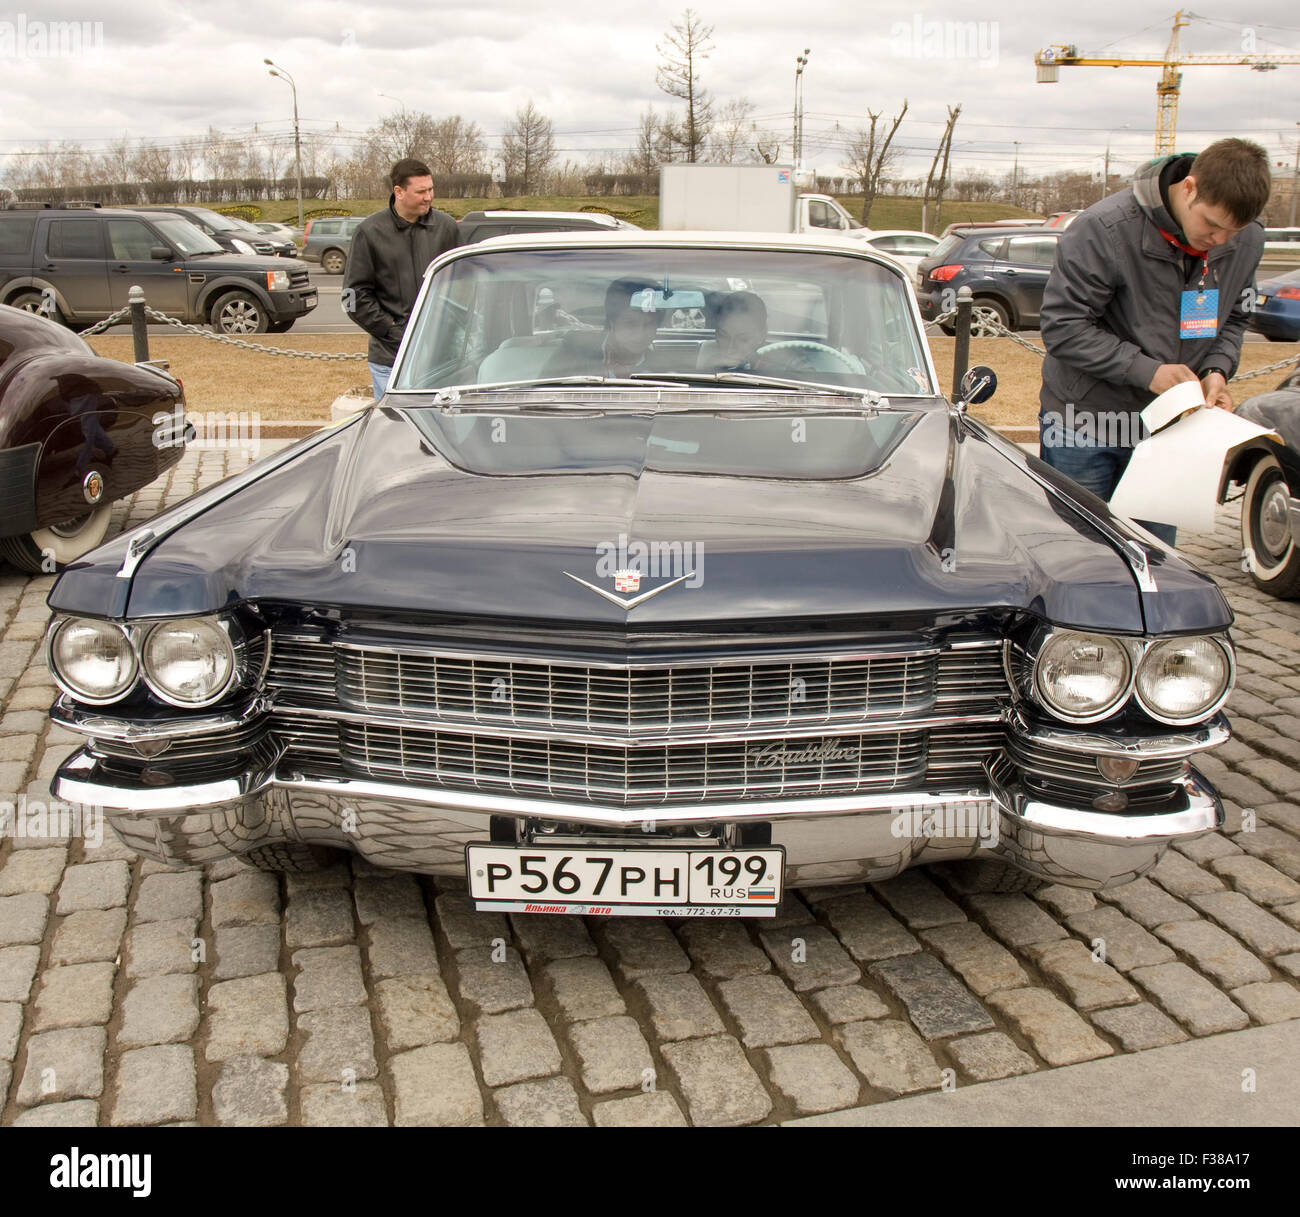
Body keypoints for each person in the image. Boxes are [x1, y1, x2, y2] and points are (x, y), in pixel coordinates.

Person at [1038, 138, 1271, 547]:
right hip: (1086, 422)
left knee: (1155, 556)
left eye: (1233, 232)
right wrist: (1150, 372)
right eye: (1213, 226)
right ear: (1190, 188)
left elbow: (1235, 316)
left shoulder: (1246, 240)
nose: (1220, 241)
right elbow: (1064, 326)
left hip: (1169, 430)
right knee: (1077, 554)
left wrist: (1216, 368)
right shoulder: (1103, 229)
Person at [344, 158, 461, 399]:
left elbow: (465, 286)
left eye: (431, 189)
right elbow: (353, 298)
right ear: (398, 191)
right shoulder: (369, 232)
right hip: (391, 361)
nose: (428, 197)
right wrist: (396, 333)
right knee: (395, 432)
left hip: (445, 360)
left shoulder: (447, 228)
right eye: (421, 191)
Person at [541, 279, 661, 378]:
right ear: (612, 322)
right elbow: (543, 395)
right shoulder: (574, 353)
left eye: (650, 324)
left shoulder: (664, 367)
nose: (640, 333)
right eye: (631, 324)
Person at [700, 291, 767, 371]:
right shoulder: (707, 367)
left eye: (743, 339)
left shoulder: (777, 373)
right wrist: (709, 369)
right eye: (723, 336)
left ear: (761, 335)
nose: (730, 348)